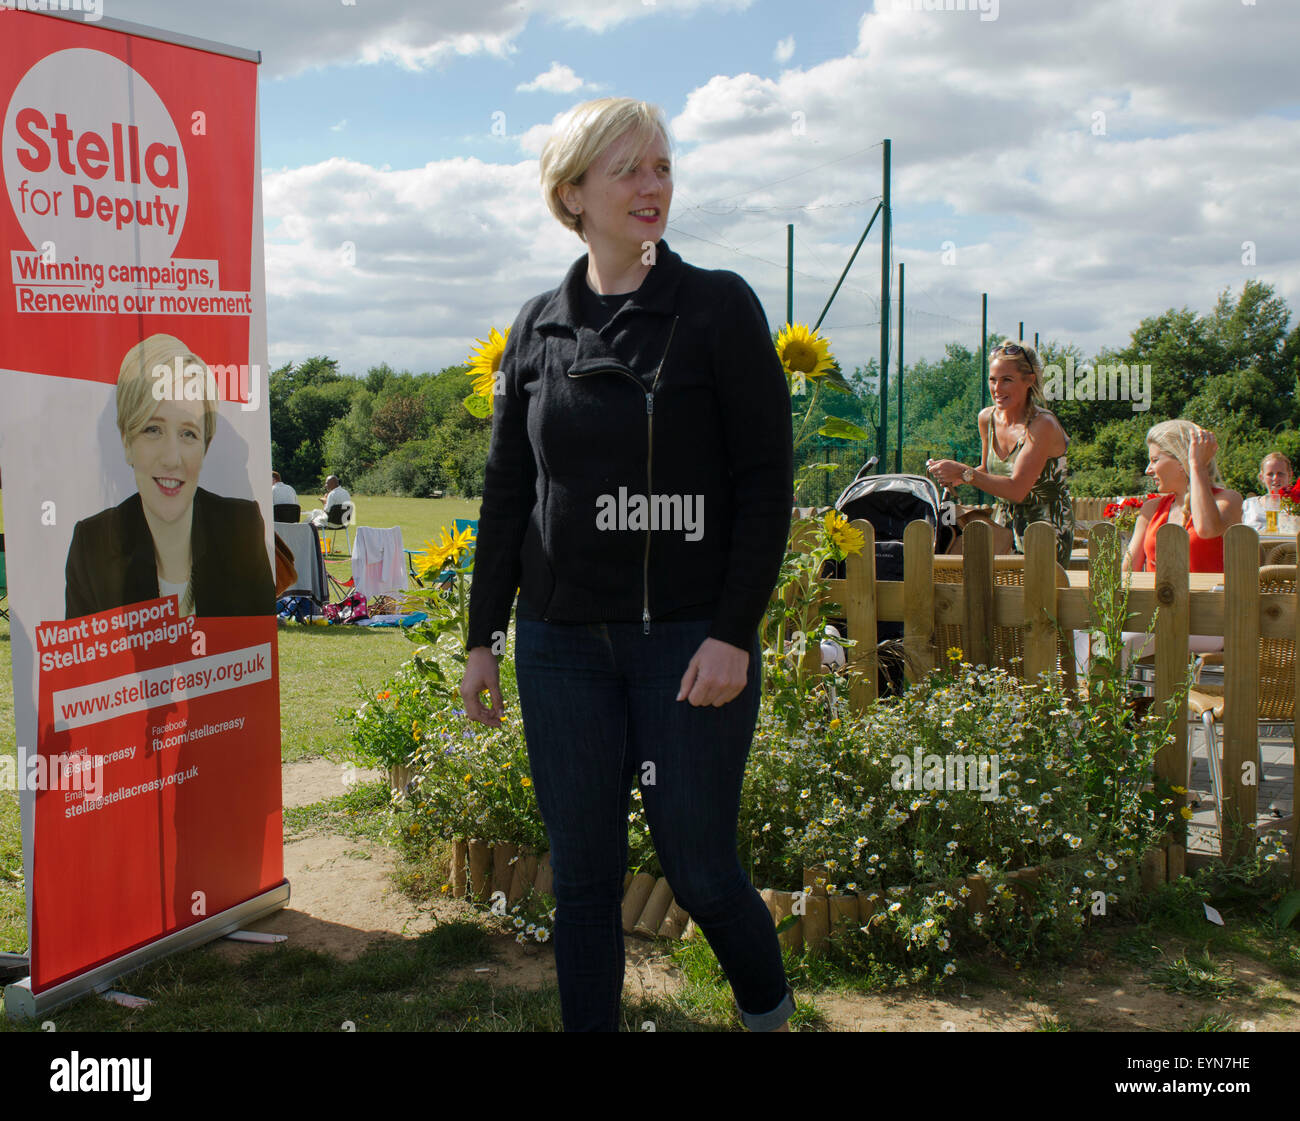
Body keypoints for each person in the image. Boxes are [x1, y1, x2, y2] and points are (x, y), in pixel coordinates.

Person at [458, 97, 795, 1032]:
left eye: (662, 167)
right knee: (583, 878)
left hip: (686, 643)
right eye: (629, 170)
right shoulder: (538, 328)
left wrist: (733, 633)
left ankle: (770, 1014)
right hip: (560, 646)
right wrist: (482, 637)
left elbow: (766, 483)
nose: (654, 186)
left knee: (700, 867)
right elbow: (507, 492)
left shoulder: (718, 308)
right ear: (572, 194)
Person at [65, 334, 274, 619]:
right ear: (126, 442)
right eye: (153, 429)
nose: (172, 459)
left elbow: (257, 638)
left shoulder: (241, 527)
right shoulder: (92, 544)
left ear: (205, 447)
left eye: (188, 433)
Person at [925, 341, 1075, 565]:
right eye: (992, 379)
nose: (997, 388)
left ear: (1029, 381)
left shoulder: (1042, 425)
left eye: (1007, 380)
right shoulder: (987, 418)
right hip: (1004, 523)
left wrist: (965, 473)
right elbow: (987, 469)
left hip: (1045, 528)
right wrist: (956, 477)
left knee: (1032, 587)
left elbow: (1017, 489)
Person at [1123, 420, 1242, 576]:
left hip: (1210, 593)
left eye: (1155, 460)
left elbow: (1207, 529)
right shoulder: (1151, 509)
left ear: (1181, 461)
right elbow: (1127, 572)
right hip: (1157, 592)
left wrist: (1197, 466)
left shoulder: (1227, 499)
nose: (1148, 470)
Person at [1241, 452, 1293, 532]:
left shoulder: (1296, 507)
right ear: (1262, 477)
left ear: (1289, 476)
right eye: (1270, 474)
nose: (1275, 478)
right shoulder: (1249, 505)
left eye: (1280, 474)